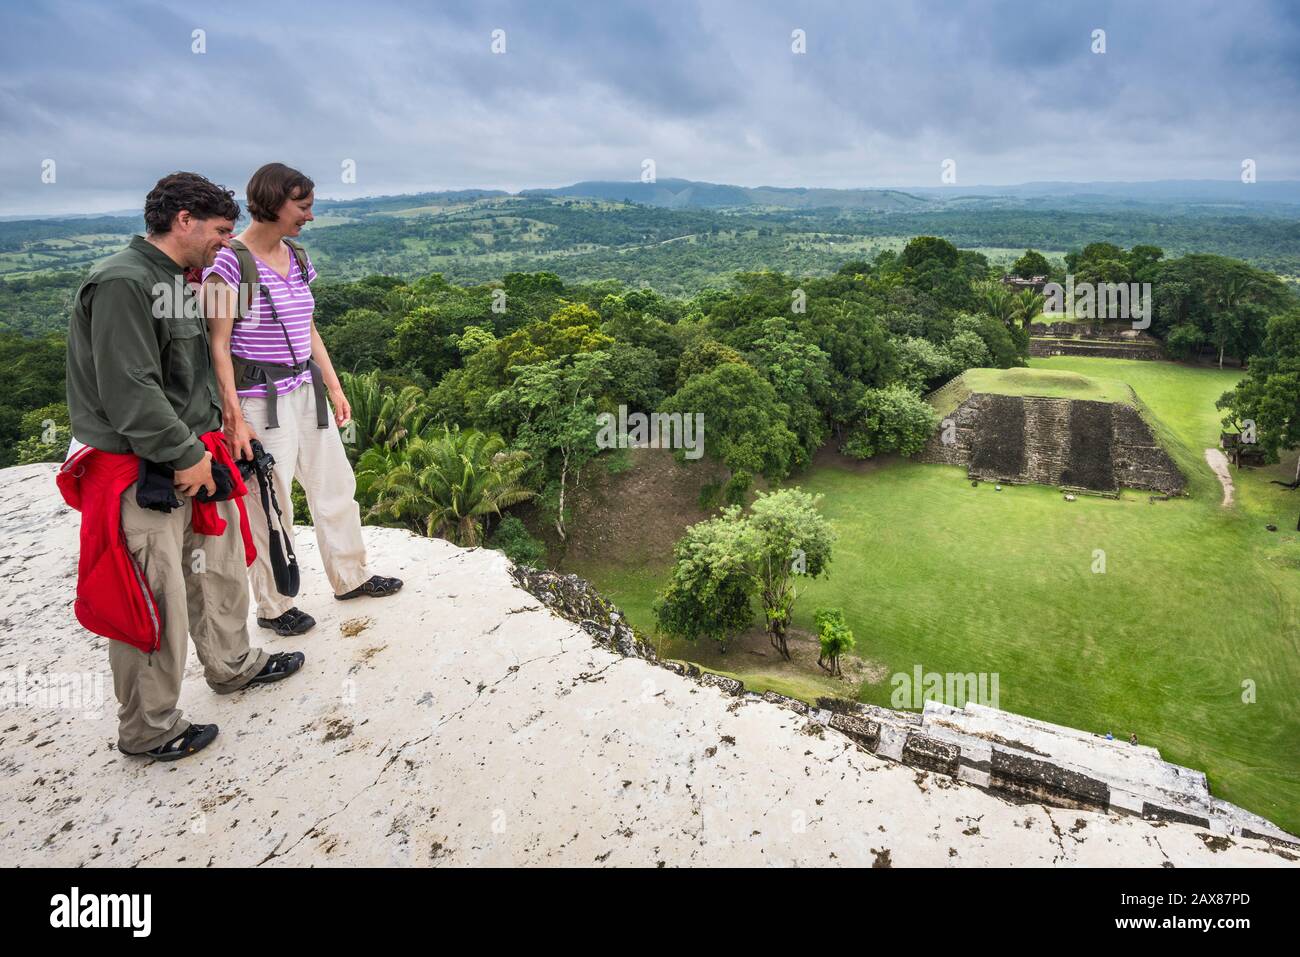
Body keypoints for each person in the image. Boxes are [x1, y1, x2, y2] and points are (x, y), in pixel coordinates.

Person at [62, 172, 305, 762]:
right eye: (220, 231)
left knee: (218, 568)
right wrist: (188, 456)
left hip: (197, 453)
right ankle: (150, 728)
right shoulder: (123, 282)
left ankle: (233, 664)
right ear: (184, 220)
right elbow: (131, 393)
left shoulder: (173, 279)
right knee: (155, 598)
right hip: (145, 470)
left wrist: (218, 437)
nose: (227, 243)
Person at [202, 162, 401, 637]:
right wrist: (232, 416)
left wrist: (333, 386)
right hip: (258, 399)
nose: (309, 216)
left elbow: (308, 328)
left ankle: (351, 576)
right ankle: (274, 605)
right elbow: (216, 345)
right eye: (303, 206)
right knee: (272, 505)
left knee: (335, 487)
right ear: (272, 203)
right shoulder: (229, 262)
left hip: (305, 390)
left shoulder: (296, 255)